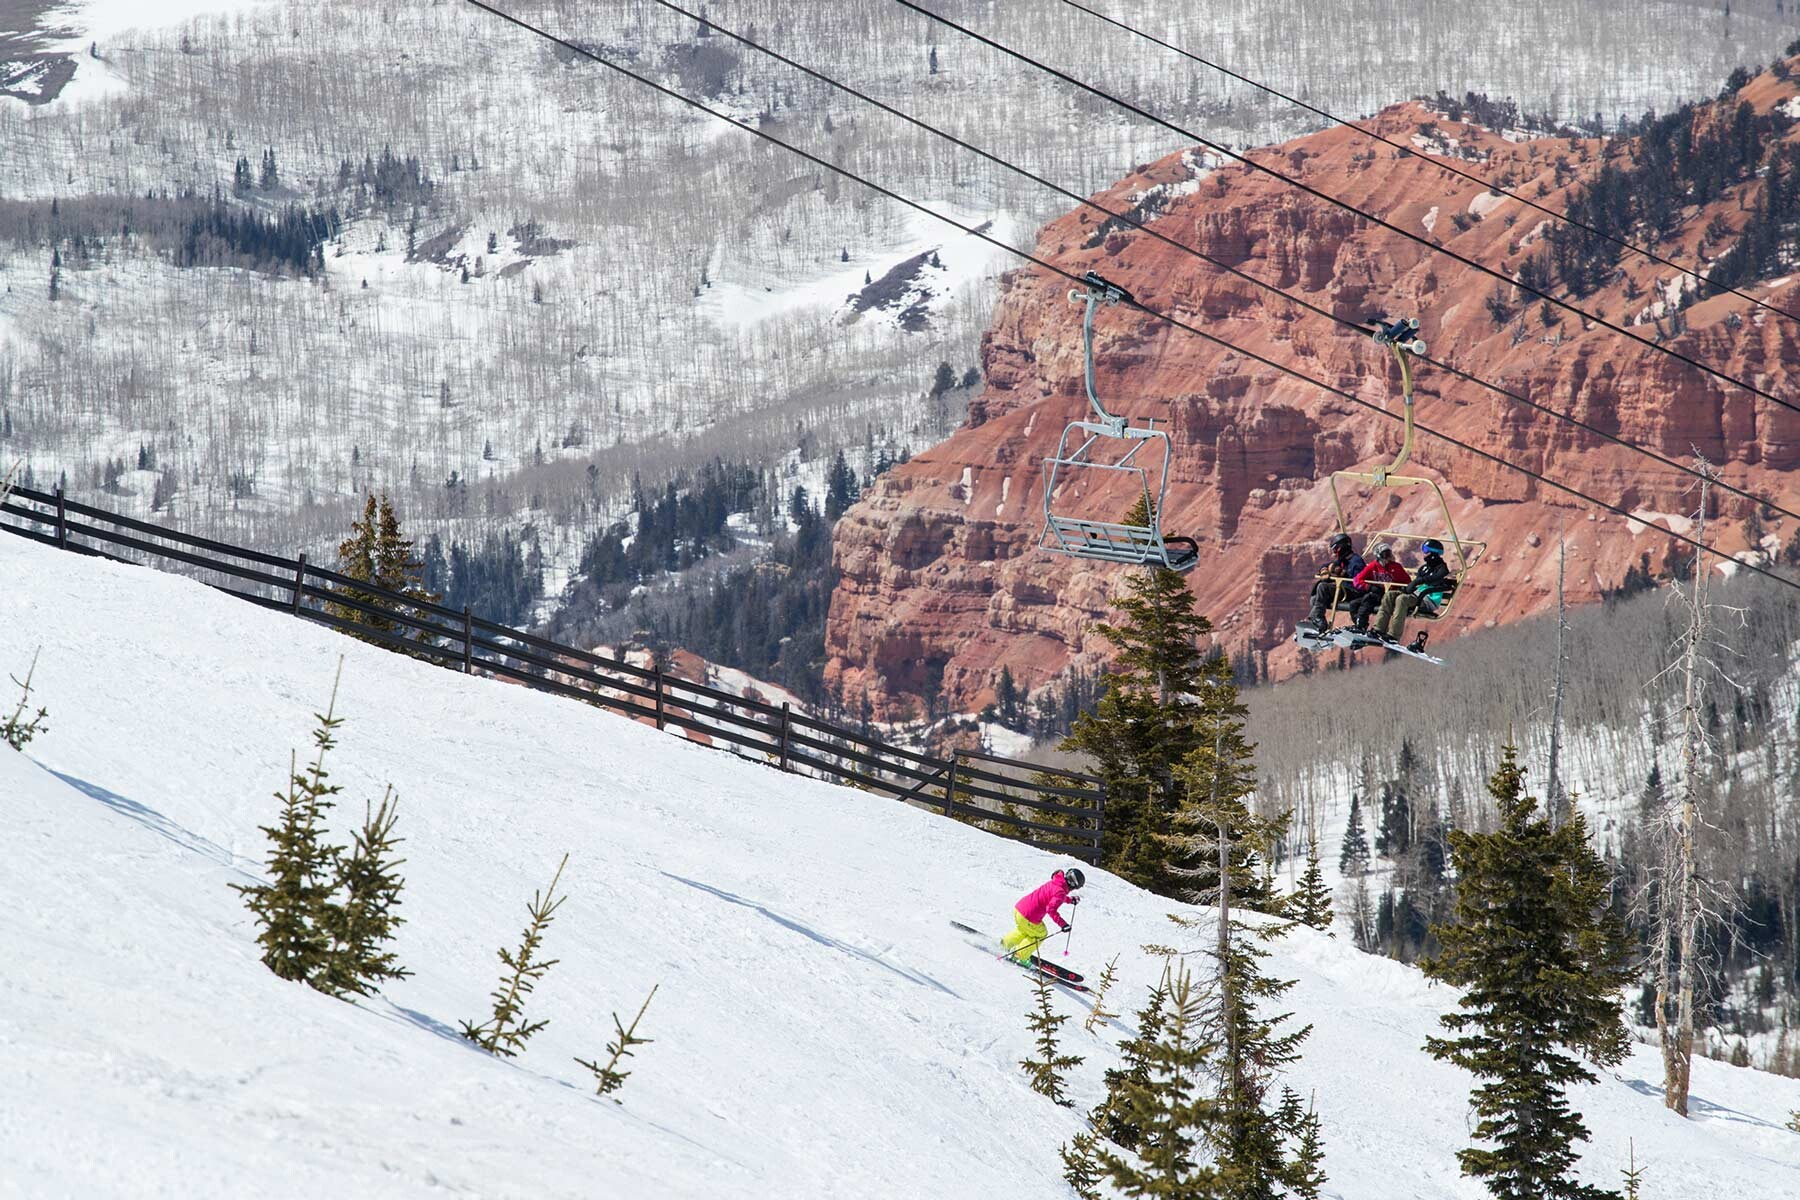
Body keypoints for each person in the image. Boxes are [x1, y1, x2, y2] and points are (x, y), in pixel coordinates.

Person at [1375, 539, 1456, 644]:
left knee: (1402, 599)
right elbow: (1417, 584)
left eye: (1426, 550)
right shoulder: (1424, 568)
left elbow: (1437, 578)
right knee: (1390, 595)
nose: (1424, 553)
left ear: (1434, 553)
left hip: (1427, 600)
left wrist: (1420, 580)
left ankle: (1393, 635)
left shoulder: (1441, 568)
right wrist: (1409, 587)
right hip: (1417, 596)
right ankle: (1378, 629)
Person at [1000, 867, 1084, 966]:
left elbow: (1055, 896)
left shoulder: (1056, 881)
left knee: (1023, 930)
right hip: (1029, 916)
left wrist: (1070, 900)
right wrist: (1063, 924)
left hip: (1019, 909)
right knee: (1041, 934)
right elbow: (1051, 909)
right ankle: (1019, 956)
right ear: (1073, 884)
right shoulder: (1060, 892)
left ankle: (1004, 944)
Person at [1298, 533, 1366, 634]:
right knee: (1316, 594)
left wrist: (1343, 574)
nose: (1334, 553)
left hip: (1353, 592)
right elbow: (1328, 565)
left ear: (1342, 547)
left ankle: (1318, 620)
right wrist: (1325, 569)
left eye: (1335, 549)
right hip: (1344, 589)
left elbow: (1358, 583)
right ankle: (1315, 620)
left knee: (1323, 587)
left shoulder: (1356, 561)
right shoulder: (1343, 560)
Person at [1348, 542, 1410, 633]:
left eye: (1389, 554)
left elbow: (1407, 581)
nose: (1388, 557)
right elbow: (1357, 580)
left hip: (1389, 595)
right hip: (1376, 593)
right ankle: (1360, 625)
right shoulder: (1373, 567)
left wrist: (1398, 589)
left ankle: (1361, 625)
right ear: (1379, 556)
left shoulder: (1396, 567)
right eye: (1385, 554)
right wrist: (1368, 587)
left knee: (1368, 599)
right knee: (1353, 604)